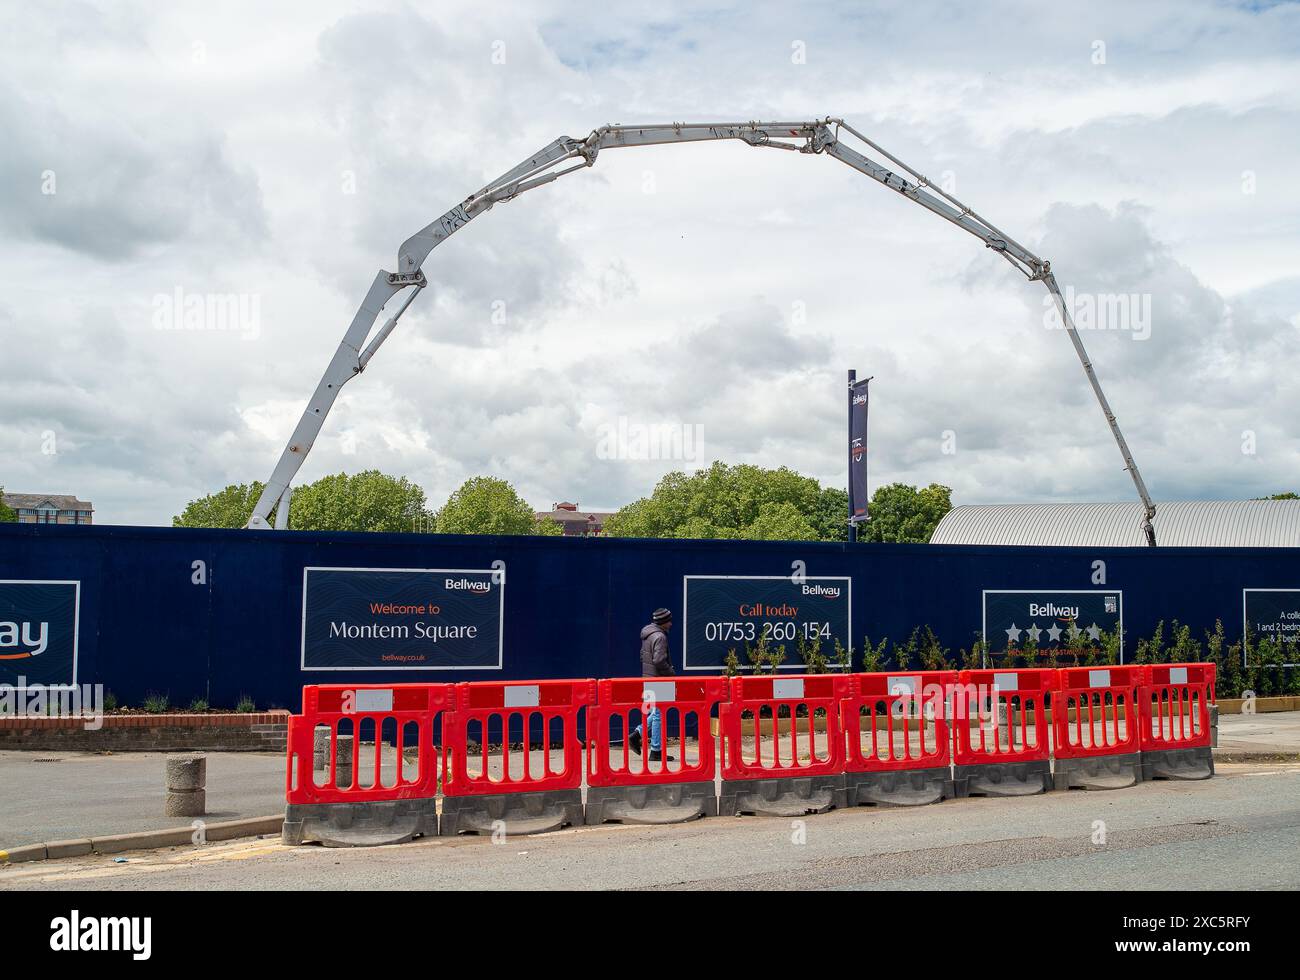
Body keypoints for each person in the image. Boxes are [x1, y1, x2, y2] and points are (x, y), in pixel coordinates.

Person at [630, 607, 675, 762]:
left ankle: (636, 734)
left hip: (649, 678)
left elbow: (644, 656)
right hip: (659, 678)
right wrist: (670, 672)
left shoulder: (647, 634)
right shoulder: (660, 637)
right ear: (663, 622)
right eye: (669, 620)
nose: (670, 623)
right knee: (659, 715)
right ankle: (656, 750)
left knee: (657, 713)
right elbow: (658, 660)